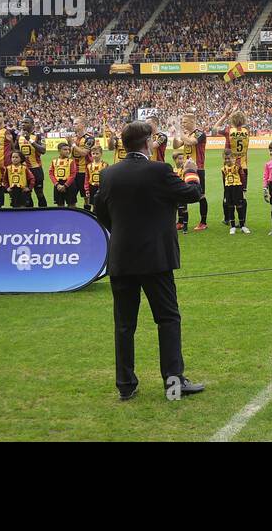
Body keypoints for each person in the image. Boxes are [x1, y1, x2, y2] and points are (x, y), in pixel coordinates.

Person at [93, 120, 206, 402]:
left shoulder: (109, 174)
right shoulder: (158, 170)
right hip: (156, 258)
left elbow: (100, 213)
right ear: (147, 143)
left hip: (121, 257)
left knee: (124, 324)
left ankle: (125, 385)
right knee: (167, 318)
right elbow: (193, 194)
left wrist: (121, 232)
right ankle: (173, 382)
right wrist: (192, 171)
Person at [174, 113, 210, 231]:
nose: (183, 124)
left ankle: (203, 222)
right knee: (182, 193)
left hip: (197, 169)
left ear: (192, 121)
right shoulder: (186, 135)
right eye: (182, 122)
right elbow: (176, 145)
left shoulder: (199, 133)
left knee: (201, 195)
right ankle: (181, 222)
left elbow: (191, 142)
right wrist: (176, 134)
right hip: (185, 170)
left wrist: (180, 132)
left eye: (185, 122)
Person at [17, 116, 49, 207]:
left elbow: (43, 150)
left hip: (36, 169)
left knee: (39, 193)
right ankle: (30, 215)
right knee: (27, 194)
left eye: (26, 122)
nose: (23, 124)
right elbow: (15, 151)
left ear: (32, 125)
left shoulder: (38, 135)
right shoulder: (19, 136)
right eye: (22, 122)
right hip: (24, 171)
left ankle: (43, 213)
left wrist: (29, 140)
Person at [221, 150, 250, 235]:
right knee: (230, 207)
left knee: (239, 206)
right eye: (225, 159)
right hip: (228, 189)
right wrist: (225, 192)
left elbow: (242, 177)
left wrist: (243, 189)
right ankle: (232, 226)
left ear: (233, 158)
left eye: (228, 158)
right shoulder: (223, 169)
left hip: (237, 188)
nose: (227, 160)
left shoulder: (237, 167)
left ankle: (242, 226)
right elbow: (224, 180)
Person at [70, 118, 96, 212]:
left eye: (76, 123)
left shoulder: (89, 138)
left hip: (84, 172)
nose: (74, 125)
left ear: (82, 125)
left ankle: (87, 216)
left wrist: (72, 145)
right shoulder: (73, 138)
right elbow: (71, 154)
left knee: (86, 196)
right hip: (73, 172)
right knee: (71, 196)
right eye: (73, 123)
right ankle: (73, 217)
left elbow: (84, 153)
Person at [223, 111, 250, 188]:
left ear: (232, 120)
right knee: (243, 193)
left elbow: (214, 129)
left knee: (229, 192)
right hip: (243, 165)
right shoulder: (247, 131)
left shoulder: (228, 131)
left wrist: (226, 115)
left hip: (230, 166)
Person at [50, 142, 78, 208]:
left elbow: (73, 174)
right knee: (60, 206)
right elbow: (51, 174)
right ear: (59, 150)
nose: (67, 151)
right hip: (58, 184)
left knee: (72, 205)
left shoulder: (71, 161)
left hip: (69, 184)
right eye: (65, 149)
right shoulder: (54, 161)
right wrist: (57, 184)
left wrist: (65, 186)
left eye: (68, 149)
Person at [86, 143, 109, 210]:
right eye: (93, 153)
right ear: (91, 154)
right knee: (93, 204)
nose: (95, 155)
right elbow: (87, 178)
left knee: (102, 204)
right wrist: (87, 189)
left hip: (101, 187)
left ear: (101, 154)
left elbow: (107, 177)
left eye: (97, 153)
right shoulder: (89, 165)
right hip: (92, 187)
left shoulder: (105, 165)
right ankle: (94, 217)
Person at [172, 152, 191, 231]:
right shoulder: (172, 169)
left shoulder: (185, 169)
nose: (181, 161)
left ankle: (185, 226)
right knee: (176, 208)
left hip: (183, 191)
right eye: (179, 159)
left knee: (184, 208)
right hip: (175, 192)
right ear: (175, 160)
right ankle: (178, 224)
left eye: (182, 159)